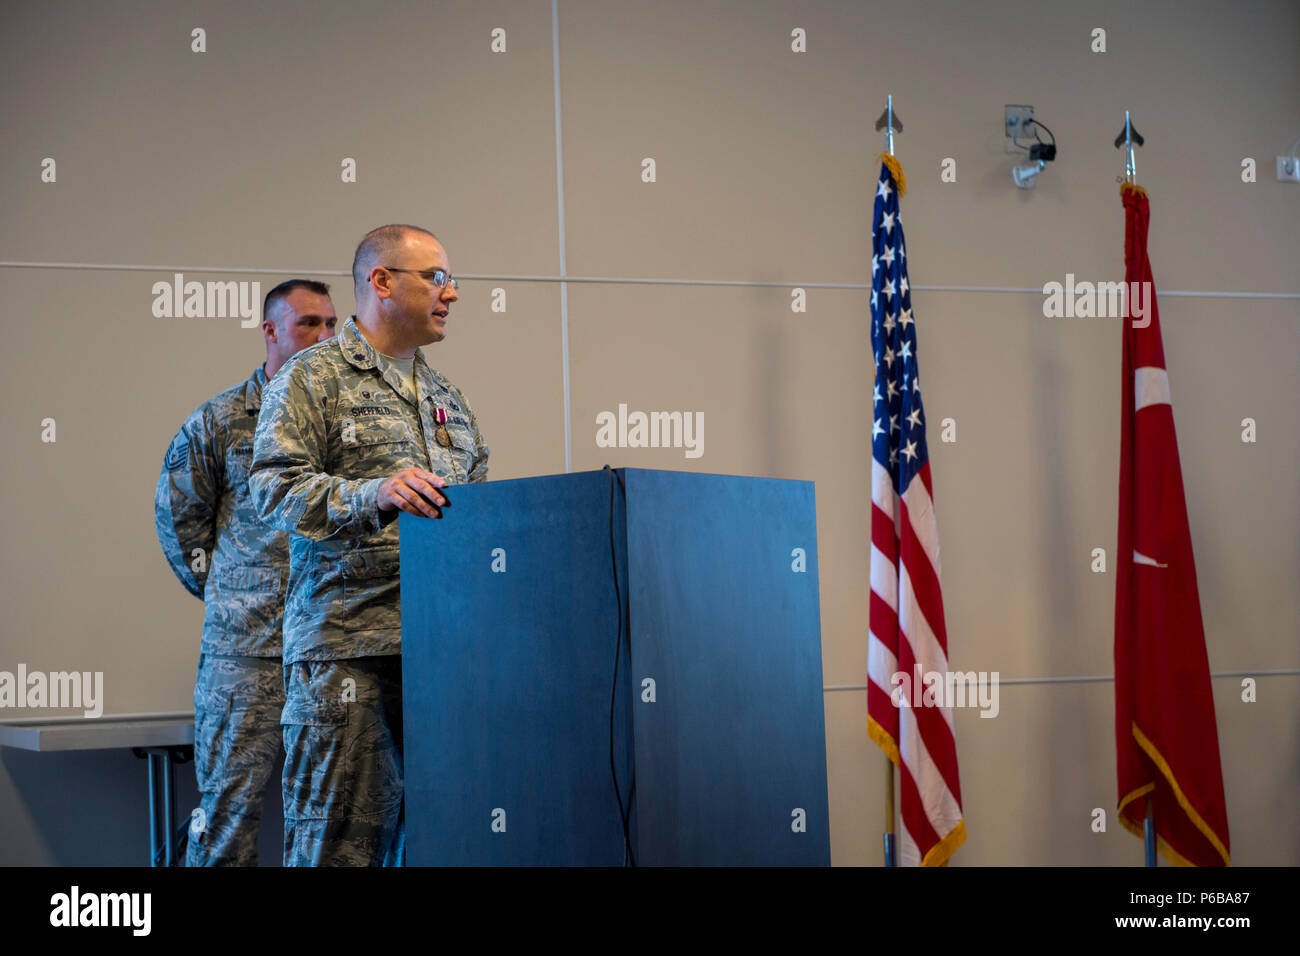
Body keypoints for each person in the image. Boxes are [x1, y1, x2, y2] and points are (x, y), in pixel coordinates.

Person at [249, 224, 489, 866]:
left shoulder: (449, 399)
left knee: (434, 846)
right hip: (347, 654)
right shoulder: (312, 377)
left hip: (439, 658)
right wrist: (373, 494)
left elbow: (473, 513)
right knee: (337, 849)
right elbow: (272, 491)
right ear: (381, 281)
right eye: (436, 278)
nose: (452, 293)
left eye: (451, 279)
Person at [154, 279, 338, 866]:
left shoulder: (341, 424)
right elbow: (180, 521)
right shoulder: (223, 419)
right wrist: (232, 595)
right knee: (228, 820)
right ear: (271, 330)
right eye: (309, 323)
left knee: (328, 823)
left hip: (329, 651)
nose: (324, 336)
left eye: (333, 324)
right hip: (245, 655)